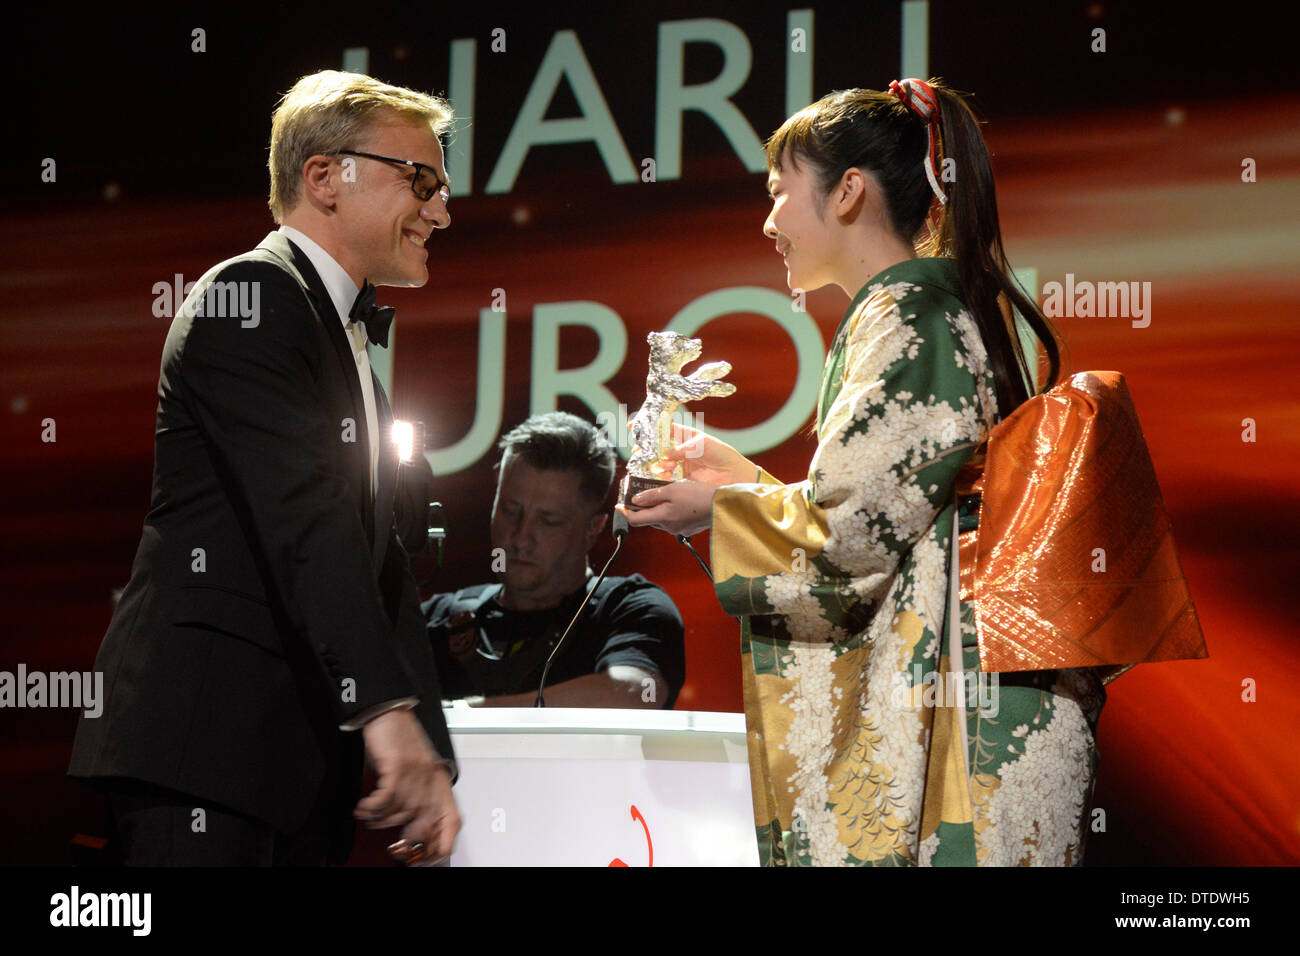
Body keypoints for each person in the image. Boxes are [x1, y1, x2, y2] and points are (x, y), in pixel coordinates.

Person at [623, 78, 1106, 866]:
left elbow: (850, 539)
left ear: (848, 192)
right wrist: (743, 485)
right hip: (983, 709)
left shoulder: (908, 311)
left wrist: (723, 508)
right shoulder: (936, 304)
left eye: (780, 193)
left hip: (967, 732)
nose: (769, 219)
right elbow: (896, 518)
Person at [69, 70, 461, 866]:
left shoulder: (342, 346)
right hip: (205, 751)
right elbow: (304, 520)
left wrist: (432, 752)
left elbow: (378, 570)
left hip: (291, 771)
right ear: (325, 177)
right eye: (419, 179)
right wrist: (387, 713)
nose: (441, 209)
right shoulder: (247, 297)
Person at [424, 412, 685, 709]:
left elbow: (634, 694)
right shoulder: (436, 618)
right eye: (510, 510)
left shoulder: (630, 608)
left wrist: (462, 715)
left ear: (594, 528)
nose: (521, 538)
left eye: (548, 521)